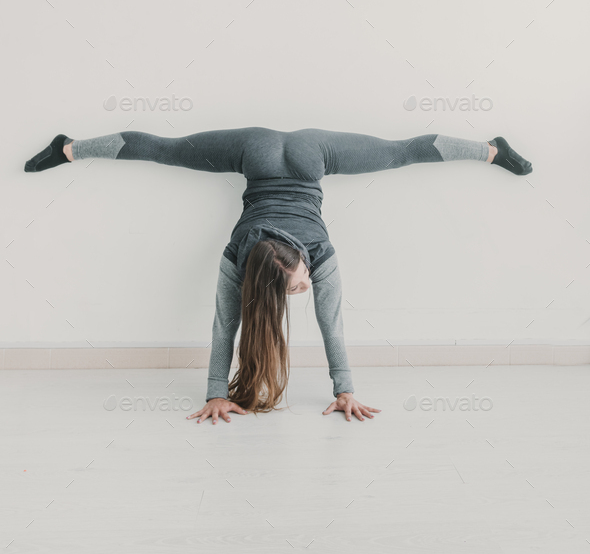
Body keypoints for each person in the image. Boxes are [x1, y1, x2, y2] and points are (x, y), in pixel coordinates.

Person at [24, 127, 532, 424]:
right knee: (167, 149)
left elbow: (249, 326)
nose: (304, 288)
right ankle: (67, 147)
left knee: (165, 149)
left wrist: (342, 386)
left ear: (298, 262)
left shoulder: (316, 255)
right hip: (271, 151)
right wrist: (340, 389)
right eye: (298, 289)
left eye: (297, 284)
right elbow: (241, 326)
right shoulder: (240, 261)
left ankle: (492, 149)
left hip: (288, 154)